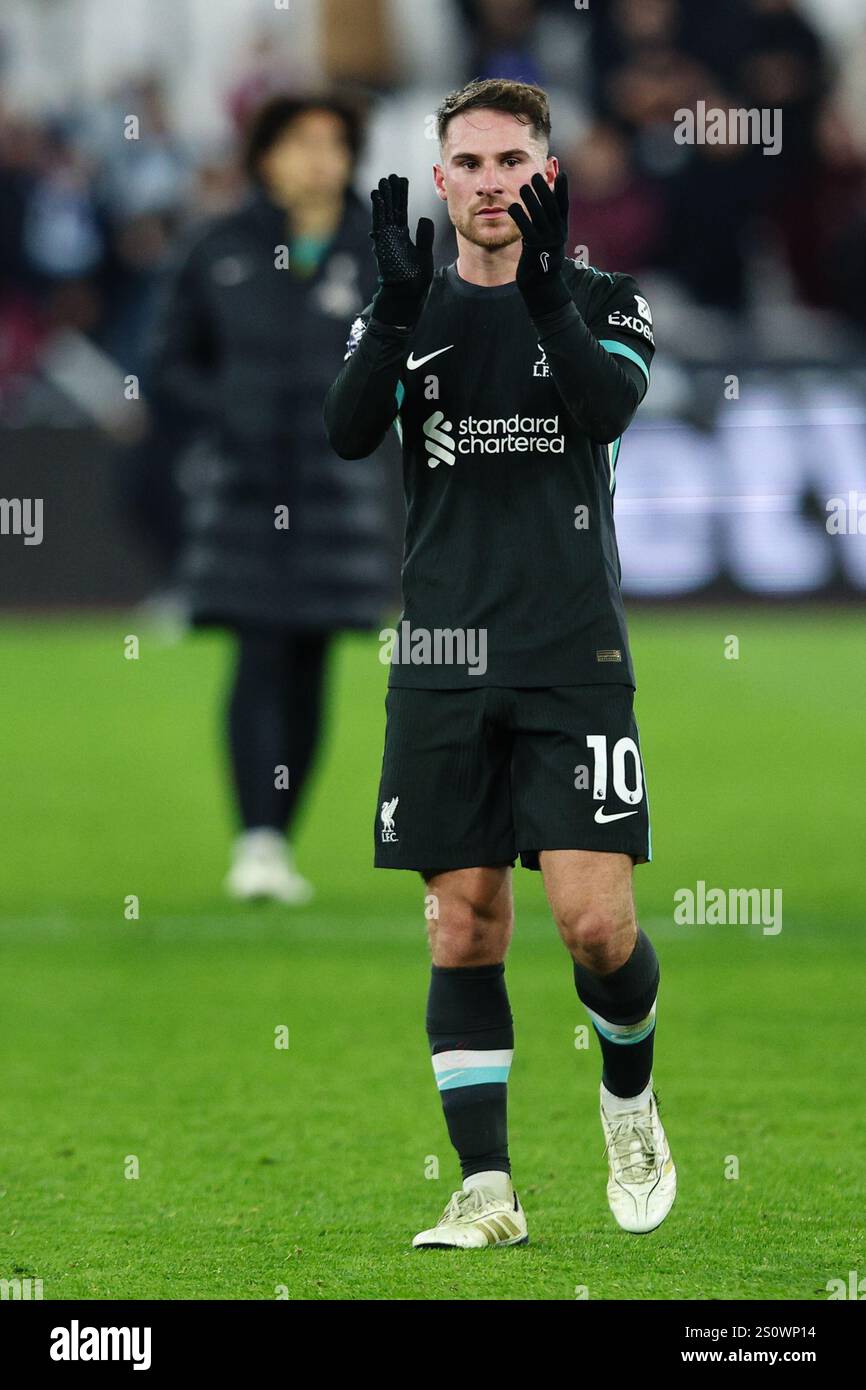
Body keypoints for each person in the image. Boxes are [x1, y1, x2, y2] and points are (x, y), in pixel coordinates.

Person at [324, 77, 675, 1247]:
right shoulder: (402, 301)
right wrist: (385, 309)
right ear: (439, 180)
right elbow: (344, 427)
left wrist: (542, 301)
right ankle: (486, 1189)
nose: (488, 182)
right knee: (462, 924)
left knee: (593, 929)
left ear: (546, 175)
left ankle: (625, 1092)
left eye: (510, 161)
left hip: (570, 653)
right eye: (467, 164)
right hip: (437, 656)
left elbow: (603, 407)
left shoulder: (600, 297)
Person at [150, 94, 392, 904]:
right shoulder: (217, 245)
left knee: (312, 661)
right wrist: (230, 413)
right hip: (246, 489)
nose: (321, 157)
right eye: (300, 142)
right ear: (263, 156)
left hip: (339, 489)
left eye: (335, 141)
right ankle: (255, 838)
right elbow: (168, 362)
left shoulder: (381, 247)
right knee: (258, 654)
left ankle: (278, 838)